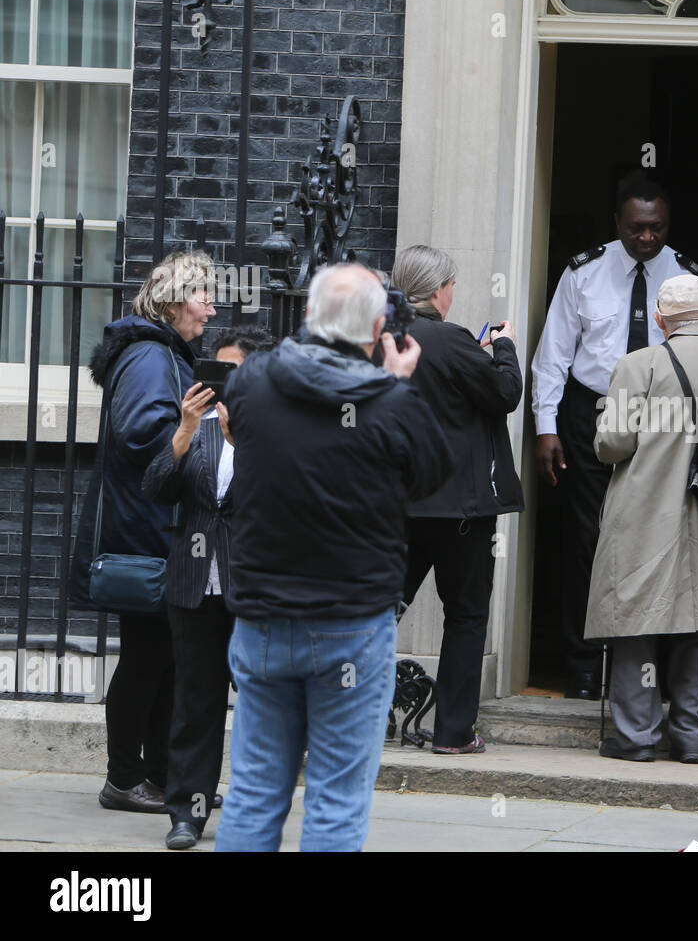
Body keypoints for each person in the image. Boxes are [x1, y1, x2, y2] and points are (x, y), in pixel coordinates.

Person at [213, 264, 449, 852]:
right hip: (351, 622)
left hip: (263, 619)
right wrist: (397, 383)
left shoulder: (252, 383)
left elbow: (247, 428)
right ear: (377, 326)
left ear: (311, 316)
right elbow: (432, 475)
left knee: (254, 790)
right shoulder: (390, 402)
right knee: (337, 799)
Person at [531, 172, 698, 699]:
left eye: (656, 228)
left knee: (655, 542)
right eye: (636, 228)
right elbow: (552, 357)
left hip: (662, 420)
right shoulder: (583, 272)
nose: (647, 238)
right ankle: (584, 669)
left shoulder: (688, 279)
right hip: (591, 413)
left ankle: (641, 679)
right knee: (587, 541)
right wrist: (546, 427)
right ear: (618, 223)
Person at [585, 275, 698, 763]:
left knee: (632, 622)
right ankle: (690, 736)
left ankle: (637, 737)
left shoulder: (639, 365)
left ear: (663, 320)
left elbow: (613, 444)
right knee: (696, 624)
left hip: (643, 508)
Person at [71, 250, 217, 814]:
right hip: (149, 533)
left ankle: (159, 776)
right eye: (204, 297)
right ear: (178, 301)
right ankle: (125, 778)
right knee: (147, 659)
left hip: (158, 529)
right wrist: (199, 427)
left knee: (165, 660)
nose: (210, 310)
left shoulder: (158, 353)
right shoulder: (151, 357)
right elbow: (141, 434)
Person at [143, 325, 274, 849]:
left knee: (263, 708)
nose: (224, 383)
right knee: (195, 704)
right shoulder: (196, 428)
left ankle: (254, 811)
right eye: (217, 371)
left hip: (255, 589)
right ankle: (187, 814)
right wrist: (183, 428)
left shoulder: (274, 432)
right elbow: (153, 488)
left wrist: (246, 445)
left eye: (235, 374)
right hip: (195, 586)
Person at [392, 245, 523, 754]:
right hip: (462, 510)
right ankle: (453, 733)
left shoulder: (385, 341)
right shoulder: (452, 339)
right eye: (451, 284)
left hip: (399, 507)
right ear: (436, 290)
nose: (453, 292)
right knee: (466, 617)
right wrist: (504, 346)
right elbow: (504, 392)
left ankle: (336, 718)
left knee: (376, 614)